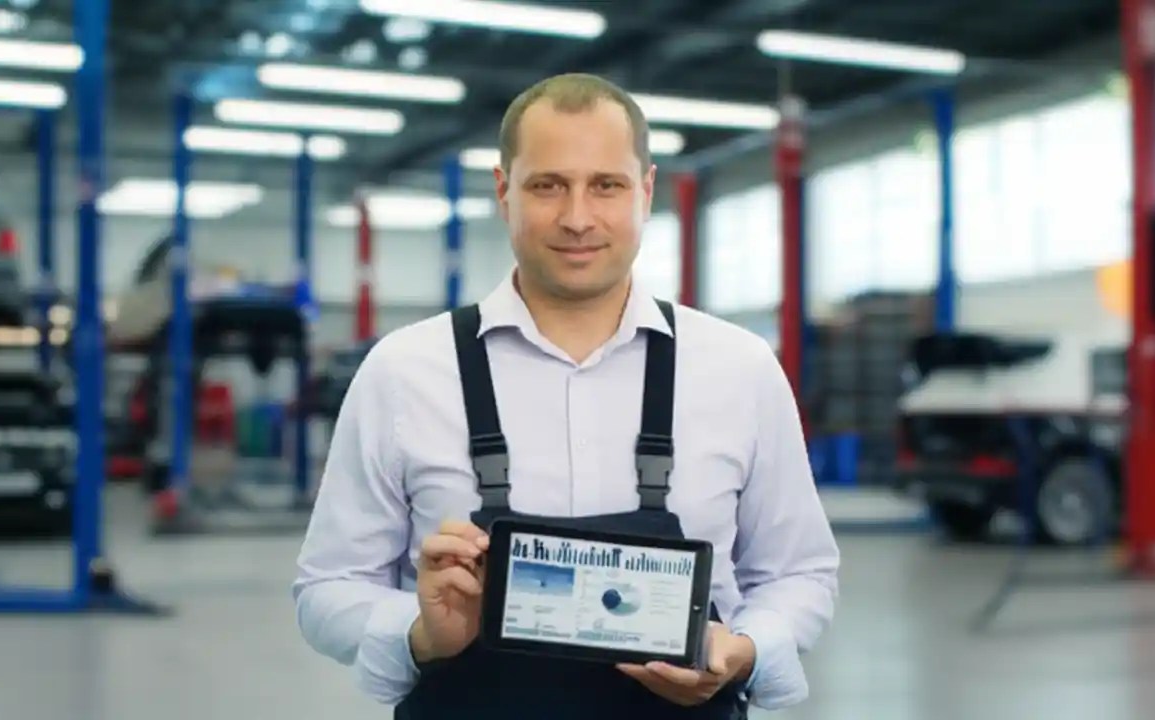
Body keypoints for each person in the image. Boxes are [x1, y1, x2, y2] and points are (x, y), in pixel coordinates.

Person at [293, 72, 840, 719]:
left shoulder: (739, 368)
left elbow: (798, 572)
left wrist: (745, 650)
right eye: (547, 185)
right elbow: (328, 585)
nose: (578, 218)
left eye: (605, 185)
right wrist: (419, 633)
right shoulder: (406, 371)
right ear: (504, 191)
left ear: (645, 190)